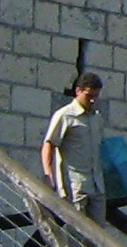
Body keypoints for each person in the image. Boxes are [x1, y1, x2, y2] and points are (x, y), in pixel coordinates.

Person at [41, 73, 104, 219]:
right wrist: (49, 176)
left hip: (97, 185)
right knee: (77, 233)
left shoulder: (97, 119)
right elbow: (48, 146)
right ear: (78, 91)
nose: (93, 100)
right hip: (75, 186)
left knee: (99, 234)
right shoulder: (65, 115)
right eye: (89, 95)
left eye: (96, 95)